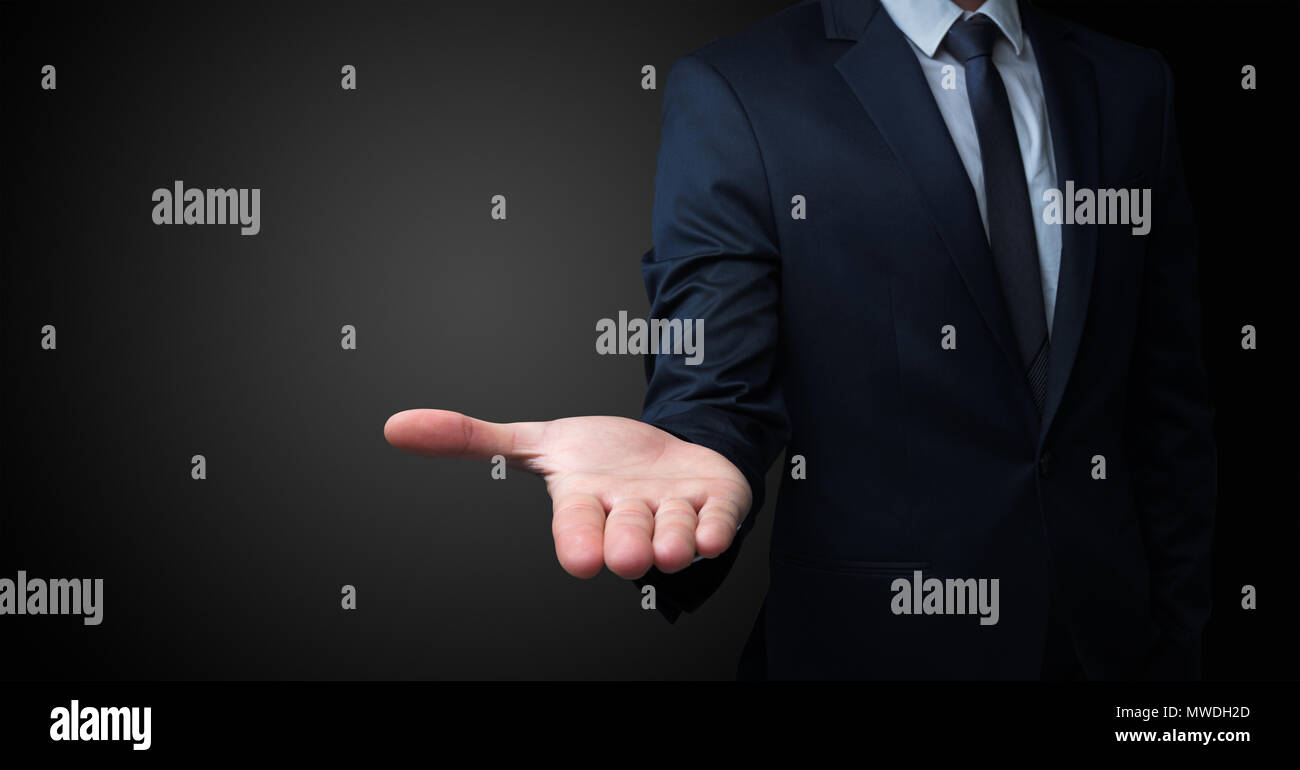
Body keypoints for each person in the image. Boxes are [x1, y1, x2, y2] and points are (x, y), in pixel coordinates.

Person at [383, 0, 1216, 680]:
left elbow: (1164, 406)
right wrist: (693, 450)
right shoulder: (743, 89)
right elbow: (715, 380)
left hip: (1115, 656)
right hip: (873, 654)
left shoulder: (1132, 83)